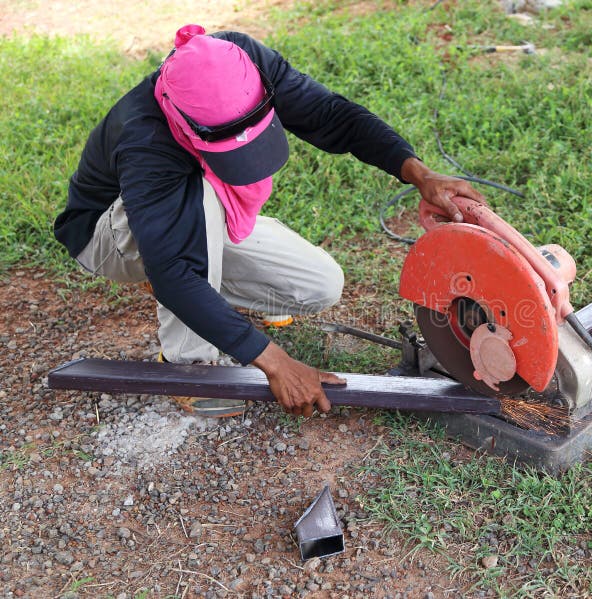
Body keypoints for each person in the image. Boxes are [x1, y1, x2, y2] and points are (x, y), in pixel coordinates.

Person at [54, 24, 485, 418]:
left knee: (317, 285)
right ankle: (190, 365)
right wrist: (276, 363)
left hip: (186, 213)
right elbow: (173, 275)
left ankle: (203, 284)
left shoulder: (241, 59)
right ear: (185, 124)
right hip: (107, 234)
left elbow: (333, 115)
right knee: (190, 220)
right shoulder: (146, 142)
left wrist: (421, 175)